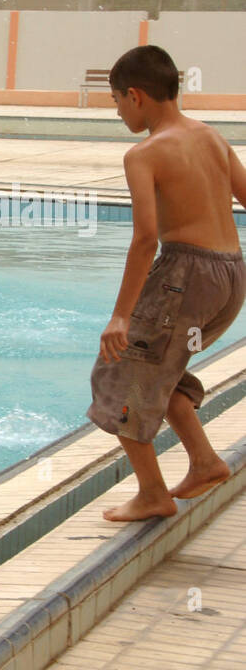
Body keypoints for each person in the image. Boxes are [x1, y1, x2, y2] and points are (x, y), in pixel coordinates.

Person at [88, 45, 246, 522]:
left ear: (135, 96)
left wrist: (120, 315)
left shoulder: (144, 153)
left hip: (186, 274)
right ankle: (203, 462)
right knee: (161, 364)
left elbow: (145, 239)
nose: (116, 111)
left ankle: (153, 493)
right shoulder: (211, 137)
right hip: (232, 272)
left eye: (116, 100)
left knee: (120, 373)